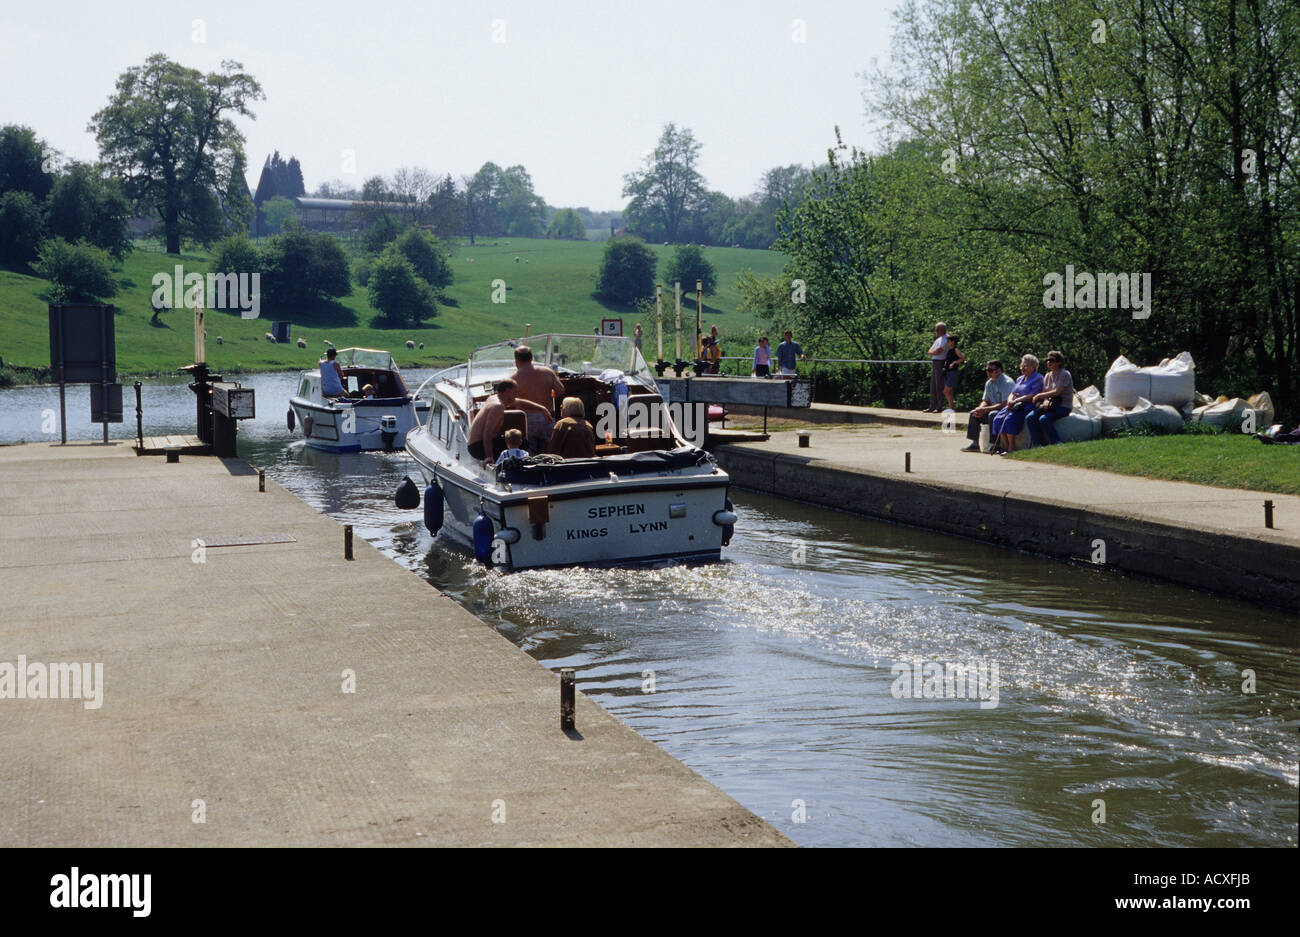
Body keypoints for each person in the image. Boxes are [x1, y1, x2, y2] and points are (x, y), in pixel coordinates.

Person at [466, 379, 552, 461]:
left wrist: (542, 408)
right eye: (515, 392)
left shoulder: (495, 398)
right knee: (523, 442)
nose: (517, 394)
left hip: (474, 445)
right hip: (477, 447)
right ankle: (516, 464)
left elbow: (520, 402)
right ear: (507, 391)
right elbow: (487, 433)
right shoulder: (497, 407)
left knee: (516, 439)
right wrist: (489, 457)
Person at [510, 344, 566, 449]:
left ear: (516, 360)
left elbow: (509, 401)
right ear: (531, 358)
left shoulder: (514, 378)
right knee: (549, 453)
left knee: (530, 453)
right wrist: (549, 395)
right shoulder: (547, 372)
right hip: (547, 418)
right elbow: (561, 390)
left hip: (527, 421)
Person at [989, 354, 1044, 454]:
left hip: (1026, 405)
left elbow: (1032, 395)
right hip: (1014, 404)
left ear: (1033, 367)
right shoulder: (1020, 378)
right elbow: (1013, 393)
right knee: (998, 419)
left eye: (1026, 365)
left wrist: (1016, 401)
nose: (1023, 368)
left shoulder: (1038, 378)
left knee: (1009, 419)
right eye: (1022, 365)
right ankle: (1005, 446)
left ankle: (1011, 447)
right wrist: (1010, 400)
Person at [961, 360, 1015, 452]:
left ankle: (995, 445)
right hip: (993, 408)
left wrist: (986, 409)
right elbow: (986, 400)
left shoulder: (1007, 382)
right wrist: (981, 408)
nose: (988, 372)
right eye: (987, 370)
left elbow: (1005, 404)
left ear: (998, 371)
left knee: (993, 414)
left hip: (1005, 410)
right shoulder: (989, 383)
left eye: (990, 370)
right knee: (973, 413)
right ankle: (975, 444)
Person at [1027, 350, 1074, 446]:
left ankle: (1056, 442)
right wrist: (1045, 401)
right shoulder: (1047, 376)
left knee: (1044, 419)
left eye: (1052, 360)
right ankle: (1038, 444)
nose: (1049, 362)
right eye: (1047, 360)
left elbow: (1057, 392)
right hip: (1049, 405)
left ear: (1059, 362)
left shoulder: (1065, 374)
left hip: (1063, 406)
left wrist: (1039, 396)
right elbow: (1045, 392)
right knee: (1030, 417)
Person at [924, 322, 948, 412]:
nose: (936, 331)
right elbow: (929, 351)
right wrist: (933, 352)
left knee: (939, 385)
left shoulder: (946, 338)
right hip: (935, 362)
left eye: (937, 329)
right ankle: (932, 406)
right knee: (933, 385)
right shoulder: (938, 339)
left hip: (941, 362)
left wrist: (933, 352)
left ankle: (939, 406)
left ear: (943, 329)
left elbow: (939, 351)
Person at [941, 334, 965, 410]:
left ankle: (951, 407)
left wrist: (954, 363)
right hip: (947, 371)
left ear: (953, 342)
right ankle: (951, 407)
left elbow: (962, 358)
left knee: (946, 391)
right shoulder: (949, 350)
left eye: (948, 341)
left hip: (953, 372)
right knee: (948, 391)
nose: (947, 343)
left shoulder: (955, 349)